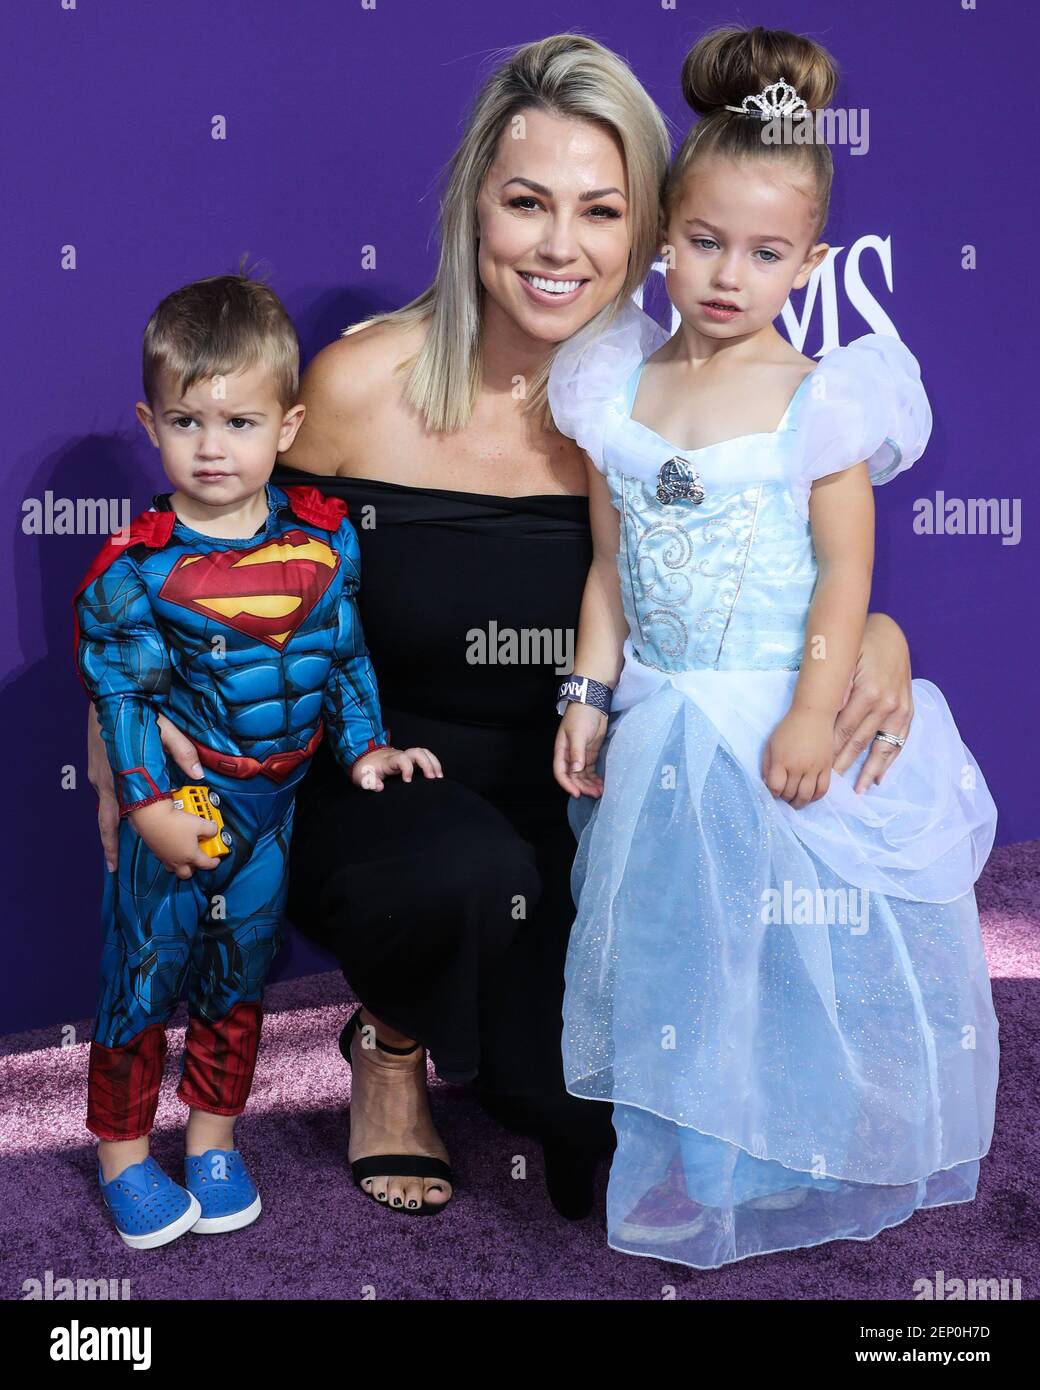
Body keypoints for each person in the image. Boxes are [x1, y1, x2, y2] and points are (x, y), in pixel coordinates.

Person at [87, 34, 920, 1223]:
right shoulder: (361, 383)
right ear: (474, 201)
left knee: (582, 1126)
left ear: (650, 229)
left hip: (577, 792)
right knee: (456, 875)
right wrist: (122, 724)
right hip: (381, 787)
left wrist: (874, 635)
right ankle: (388, 1043)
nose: (557, 246)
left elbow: (772, 562)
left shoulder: (657, 403)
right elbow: (195, 531)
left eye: (599, 210)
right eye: (526, 201)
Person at [548, 25, 1000, 1268]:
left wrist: (811, 708)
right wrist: (586, 693)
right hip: (658, 721)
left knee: (785, 945)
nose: (727, 275)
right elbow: (610, 567)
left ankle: (778, 1148)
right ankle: (694, 1162)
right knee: (673, 948)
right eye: (702, 243)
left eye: (762, 253)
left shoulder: (820, 400)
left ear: (807, 262)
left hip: (767, 715)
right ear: (662, 238)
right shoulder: (612, 388)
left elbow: (845, 573)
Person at [75, 273, 441, 1248]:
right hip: (187, 807)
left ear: (287, 426)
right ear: (150, 423)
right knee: (144, 979)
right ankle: (120, 1153)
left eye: (238, 421)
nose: (210, 446)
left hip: (276, 809)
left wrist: (366, 749)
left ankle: (214, 1139)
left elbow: (345, 657)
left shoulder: (324, 541)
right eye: (186, 420)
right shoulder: (133, 569)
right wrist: (151, 804)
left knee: (238, 982)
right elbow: (127, 702)